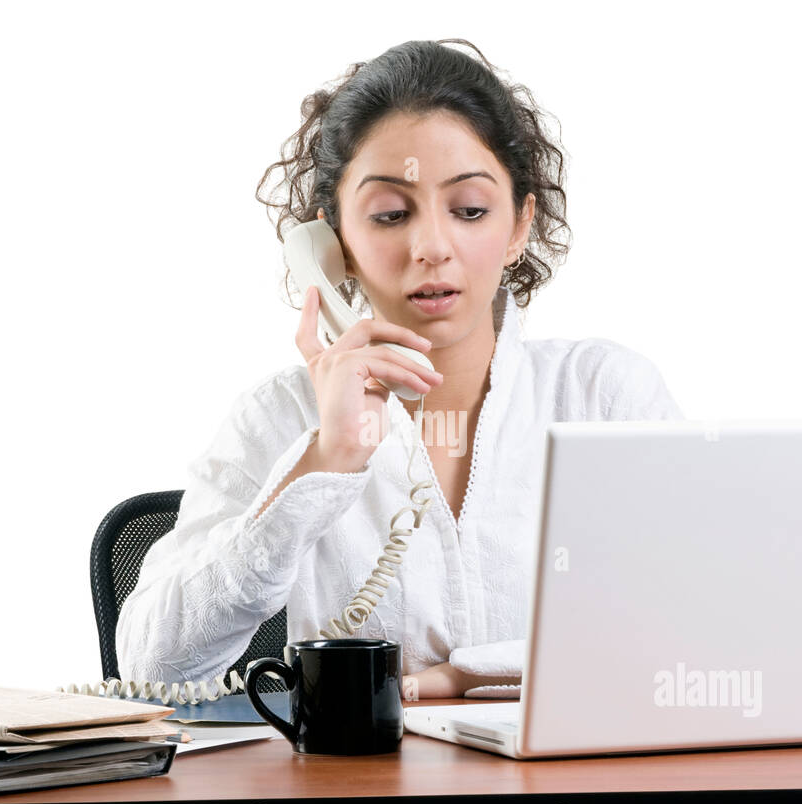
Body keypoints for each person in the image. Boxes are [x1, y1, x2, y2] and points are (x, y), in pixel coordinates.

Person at [115, 38, 683, 700]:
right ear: (333, 246)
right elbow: (150, 668)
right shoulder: (275, 419)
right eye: (390, 214)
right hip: (359, 799)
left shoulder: (603, 397)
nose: (431, 247)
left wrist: (461, 676)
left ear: (521, 224)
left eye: (470, 210)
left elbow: (702, 627)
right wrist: (320, 463)